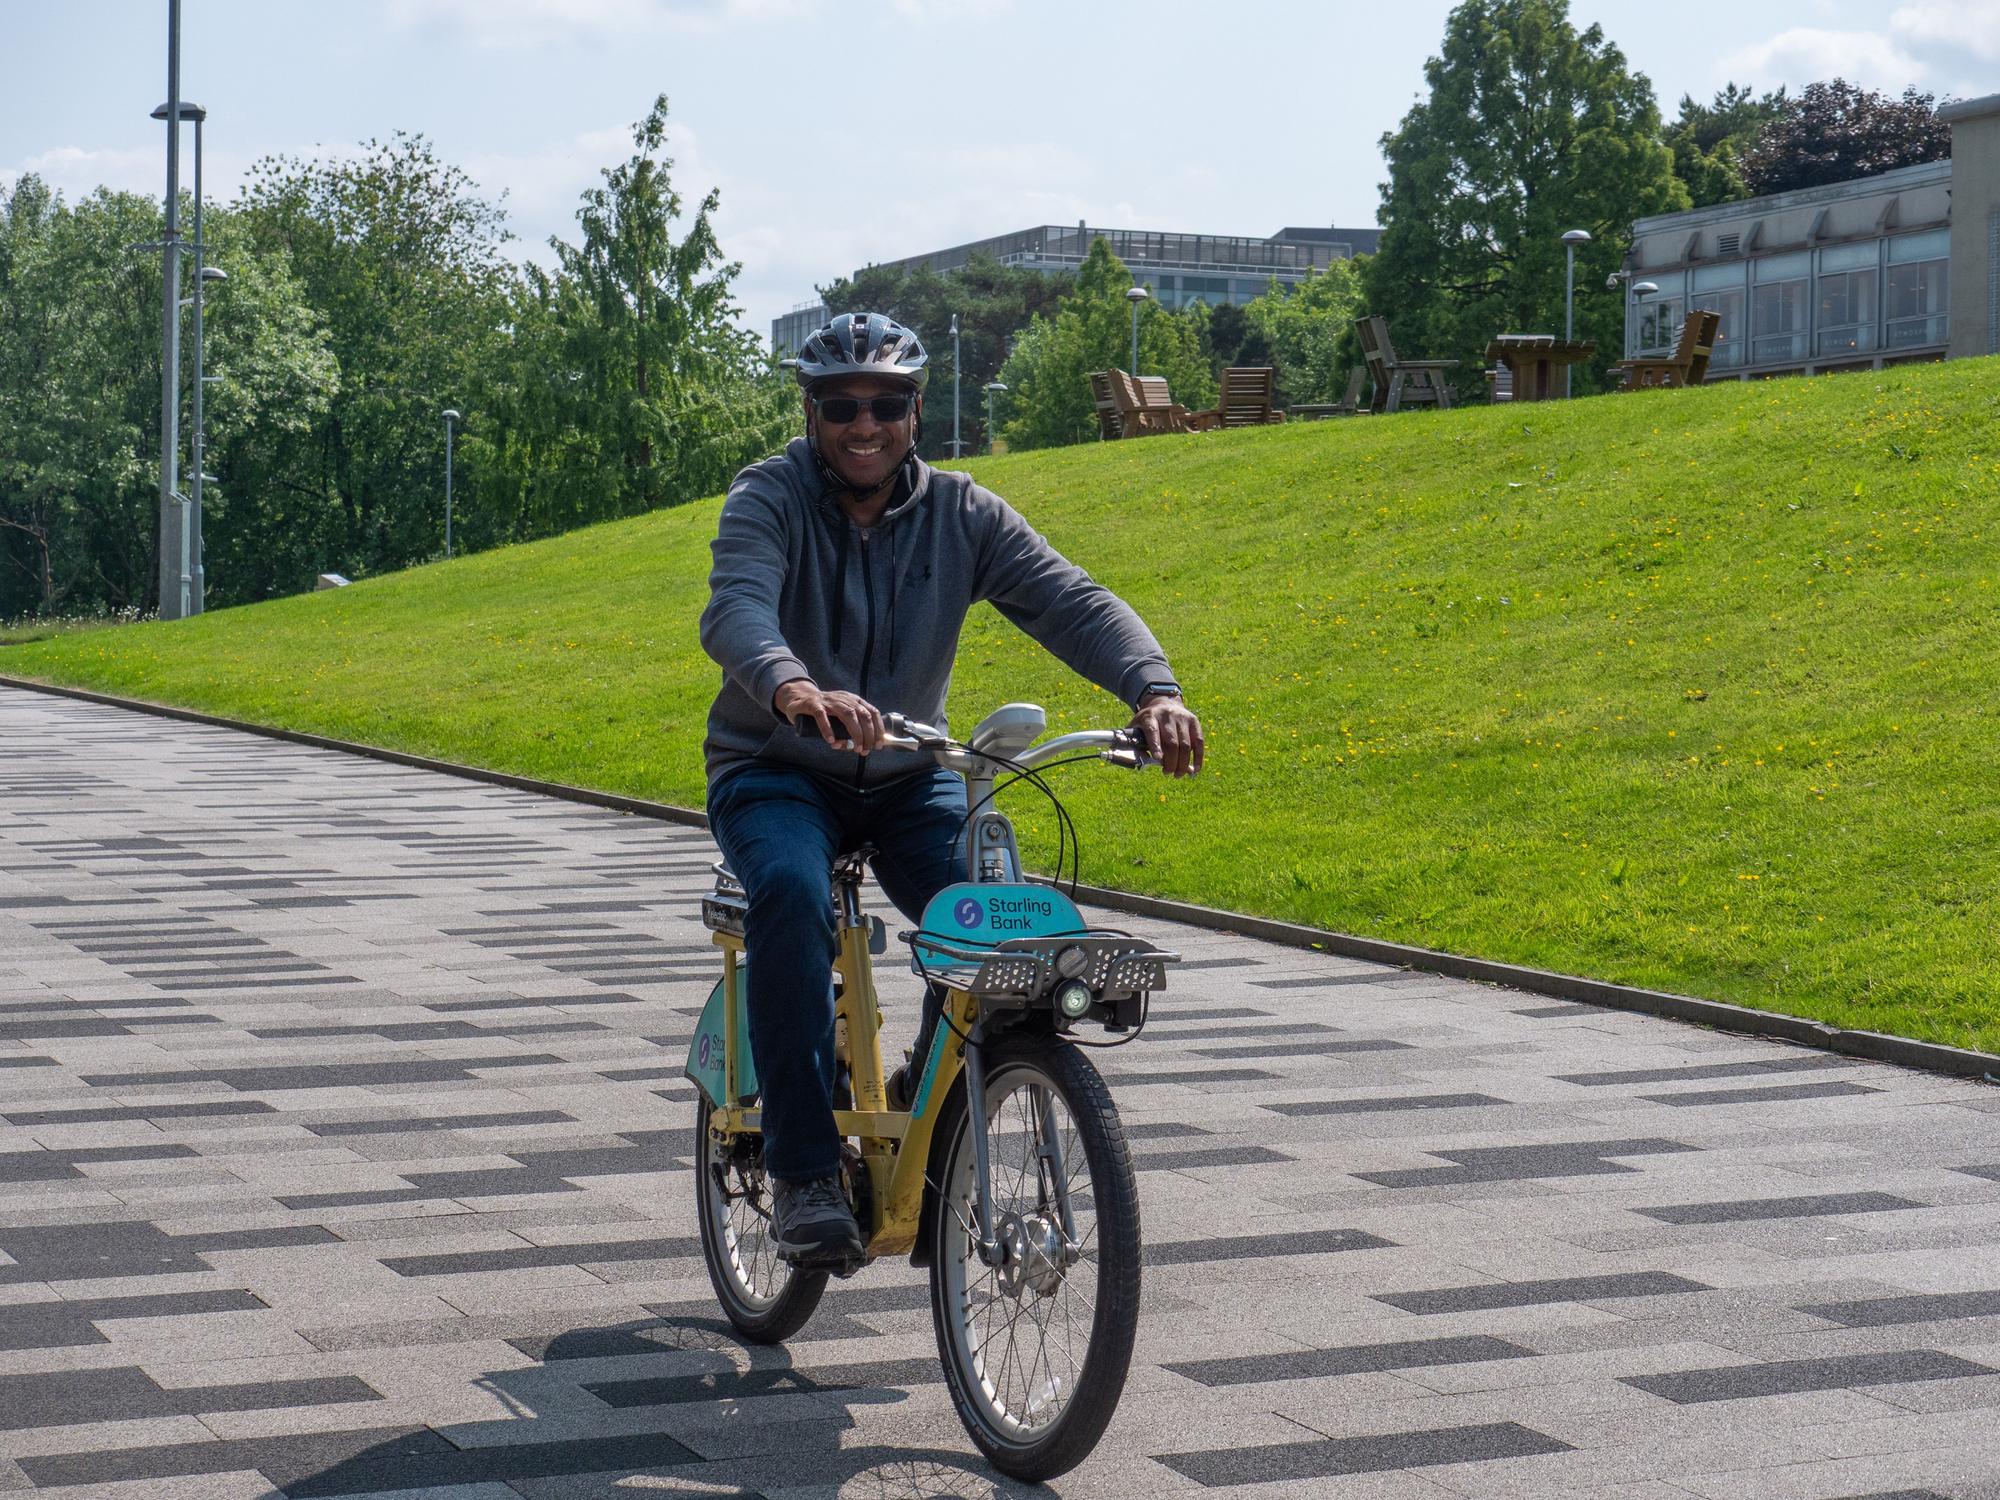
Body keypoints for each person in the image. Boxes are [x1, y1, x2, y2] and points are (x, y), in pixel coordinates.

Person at [700, 311, 1203, 1266]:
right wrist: (793, 685)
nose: (865, 425)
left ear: (916, 411)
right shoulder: (767, 496)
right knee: (795, 897)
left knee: (993, 917)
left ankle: (932, 1114)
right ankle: (805, 1171)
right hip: (776, 768)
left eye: (885, 404)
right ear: (811, 412)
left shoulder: (963, 512)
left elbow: (1073, 600)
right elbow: (737, 605)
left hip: (904, 773)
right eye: (841, 405)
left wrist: (1155, 688)